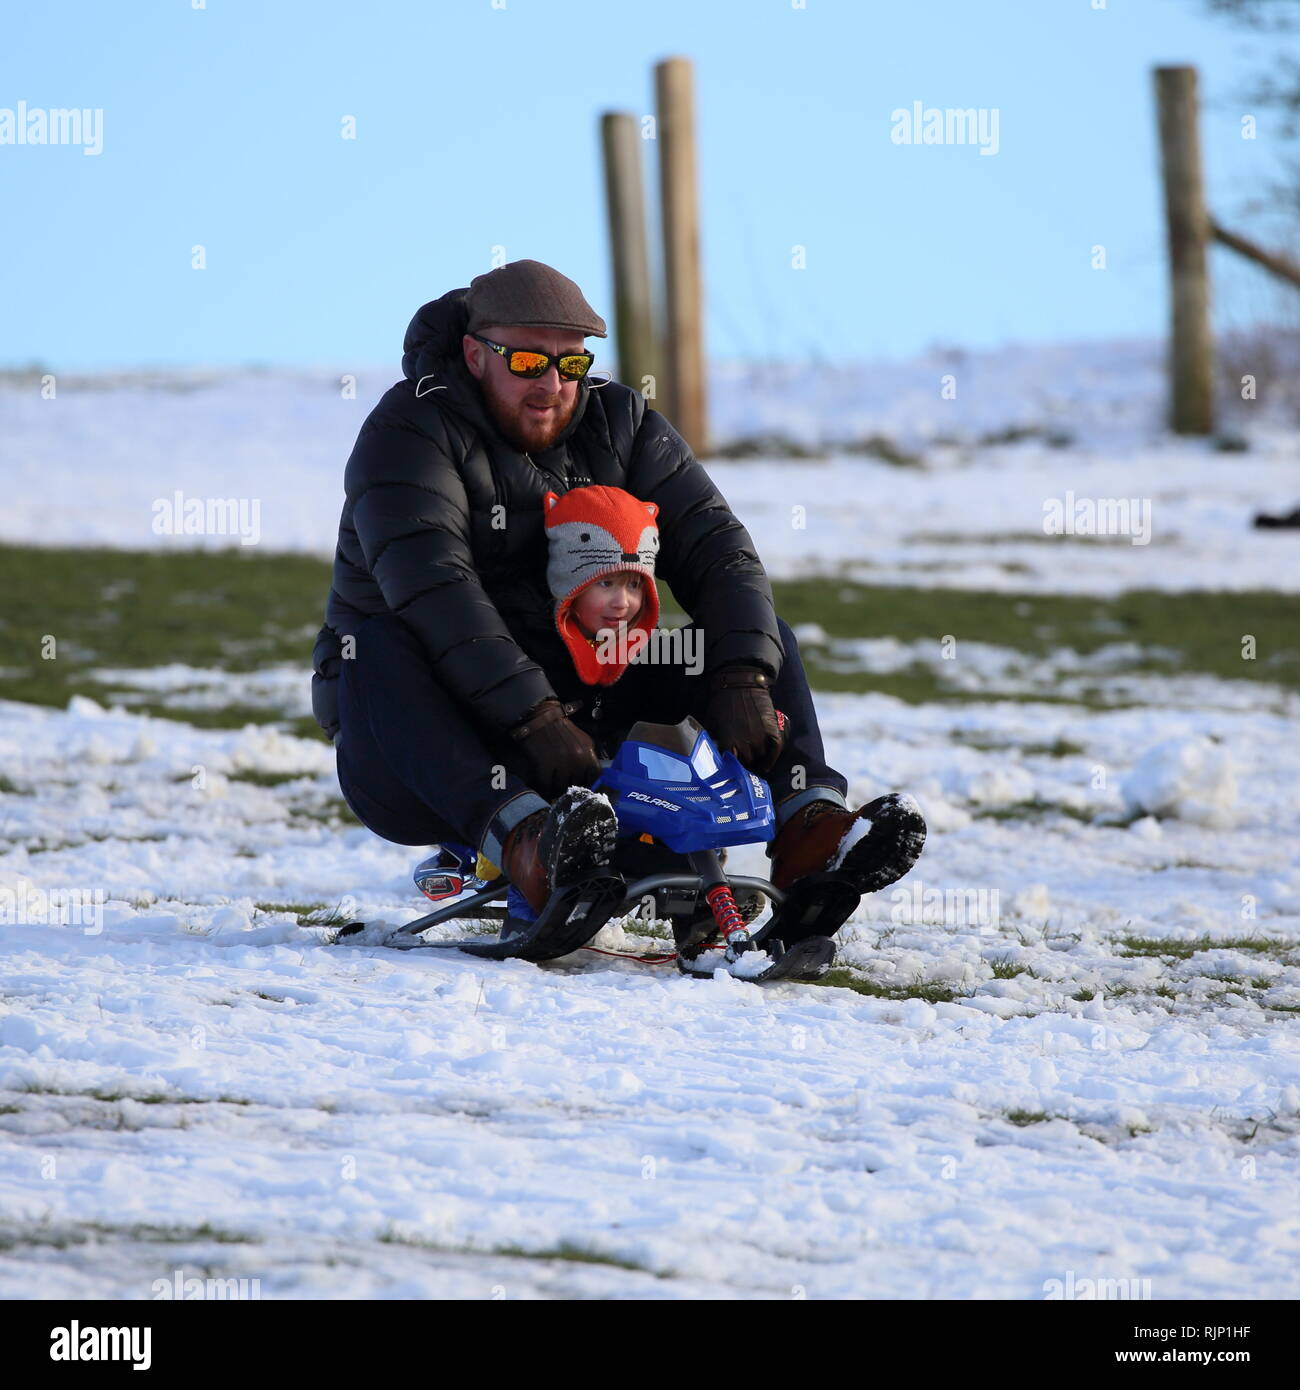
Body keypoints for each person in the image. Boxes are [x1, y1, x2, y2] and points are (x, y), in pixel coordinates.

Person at [310, 258, 925, 930]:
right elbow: (437, 593)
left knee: (756, 634)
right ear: (474, 355)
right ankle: (529, 847)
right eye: (526, 363)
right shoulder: (407, 434)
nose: (551, 385)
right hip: (419, 739)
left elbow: (721, 553)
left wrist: (743, 676)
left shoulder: (623, 422)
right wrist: (535, 718)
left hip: (579, 702)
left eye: (570, 366)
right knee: (378, 645)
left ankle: (810, 830)